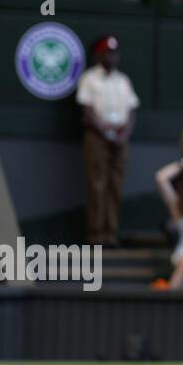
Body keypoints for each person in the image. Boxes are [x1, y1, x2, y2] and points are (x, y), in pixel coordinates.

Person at [76, 35, 139, 247]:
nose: (112, 57)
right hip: (97, 137)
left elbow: (132, 110)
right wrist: (106, 131)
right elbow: (87, 111)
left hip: (120, 138)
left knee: (116, 185)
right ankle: (96, 234)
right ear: (98, 55)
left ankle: (111, 233)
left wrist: (123, 133)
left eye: (114, 53)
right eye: (107, 53)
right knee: (97, 184)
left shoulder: (123, 80)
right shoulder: (89, 79)